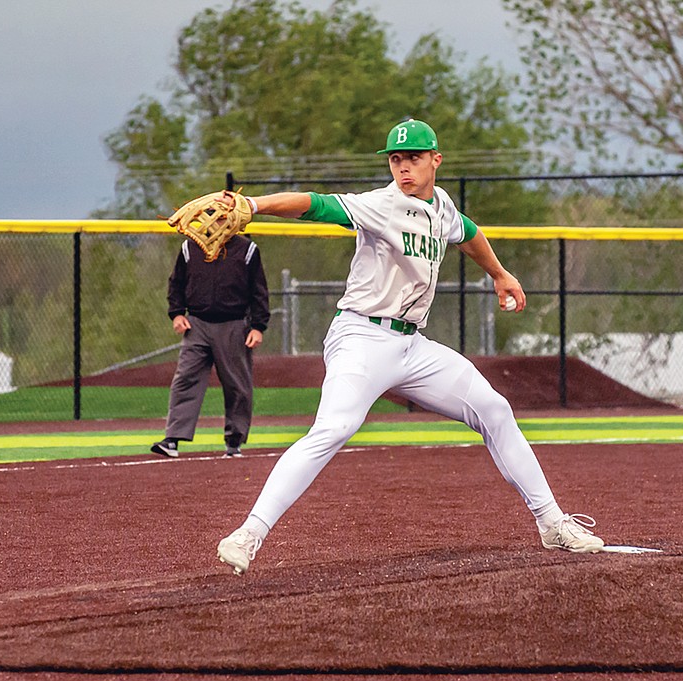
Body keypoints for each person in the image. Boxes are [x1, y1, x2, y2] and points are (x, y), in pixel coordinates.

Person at [215, 118, 605, 575]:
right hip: (361, 337)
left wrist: (499, 273)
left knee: (494, 408)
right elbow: (315, 204)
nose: (403, 167)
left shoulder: (441, 207)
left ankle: (551, 522)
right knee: (334, 428)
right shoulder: (381, 205)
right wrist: (254, 204)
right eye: (396, 159)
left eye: (413, 158)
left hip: (411, 345)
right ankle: (249, 533)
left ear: (435, 160)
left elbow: (468, 233)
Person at [151, 233, 270, 459]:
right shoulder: (191, 246)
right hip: (196, 323)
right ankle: (172, 439)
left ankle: (234, 442)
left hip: (234, 324)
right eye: (212, 215)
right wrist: (176, 314)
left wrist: (258, 326)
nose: (216, 221)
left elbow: (259, 290)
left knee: (237, 385)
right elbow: (176, 282)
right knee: (185, 378)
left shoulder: (247, 249)